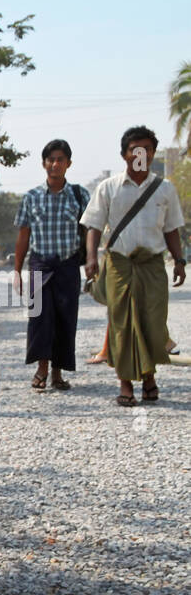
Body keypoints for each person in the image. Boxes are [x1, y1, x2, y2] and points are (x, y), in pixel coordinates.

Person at [81, 125, 186, 405]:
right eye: (135, 150)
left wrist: (179, 260)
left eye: (147, 149)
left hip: (152, 266)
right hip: (119, 265)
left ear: (152, 154)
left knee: (153, 324)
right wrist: (91, 258)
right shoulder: (109, 188)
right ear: (125, 155)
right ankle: (126, 384)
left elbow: (172, 229)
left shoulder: (165, 189)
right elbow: (93, 225)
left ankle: (149, 378)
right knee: (122, 324)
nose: (141, 154)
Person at [12, 139, 87, 391]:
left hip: (68, 266)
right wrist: (16, 271)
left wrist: (93, 262)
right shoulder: (31, 197)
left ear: (68, 164)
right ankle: (41, 369)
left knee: (65, 319)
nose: (55, 164)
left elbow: (90, 231)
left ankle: (57, 372)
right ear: (44, 163)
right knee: (39, 318)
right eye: (51, 159)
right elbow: (23, 236)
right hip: (39, 266)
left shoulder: (80, 195)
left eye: (60, 160)